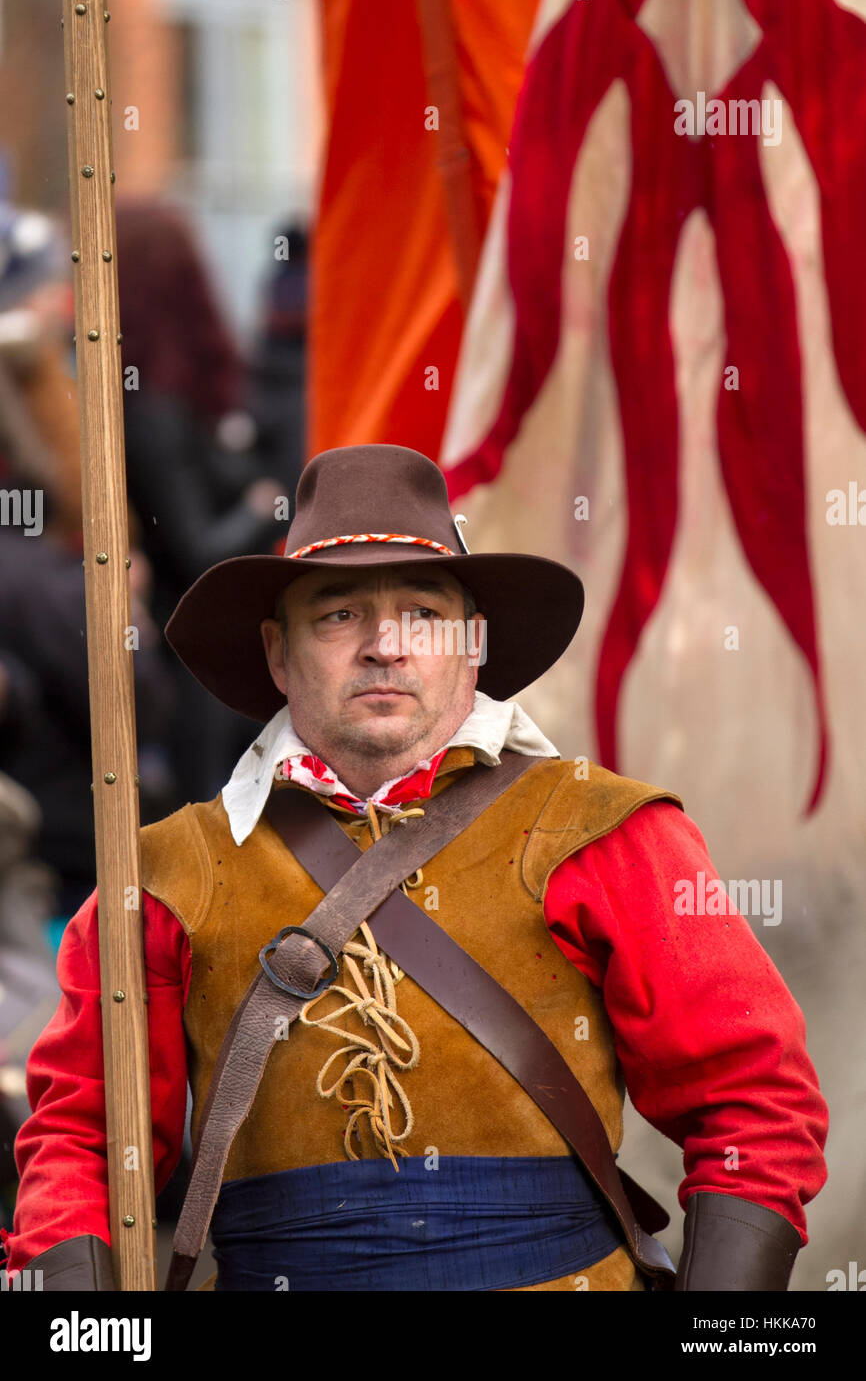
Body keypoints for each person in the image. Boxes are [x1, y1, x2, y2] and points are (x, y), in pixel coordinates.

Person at [2, 444, 828, 1292]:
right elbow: (85, 1141)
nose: (384, 647)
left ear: (474, 646)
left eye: (423, 613)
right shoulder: (161, 874)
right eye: (338, 615)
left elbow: (755, 1104)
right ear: (279, 655)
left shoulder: (606, 831)